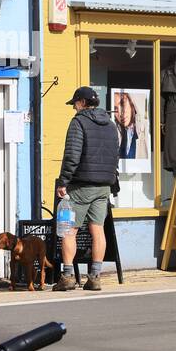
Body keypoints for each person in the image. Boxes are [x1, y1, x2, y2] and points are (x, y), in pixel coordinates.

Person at [54, 86, 120, 291]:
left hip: (81, 185)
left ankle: (67, 277)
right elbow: (114, 155)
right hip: (104, 186)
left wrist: (63, 181)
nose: (74, 108)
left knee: (69, 230)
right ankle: (95, 277)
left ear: (82, 103)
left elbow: (72, 155)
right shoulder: (110, 124)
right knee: (97, 230)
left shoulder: (79, 122)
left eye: (75, 103)